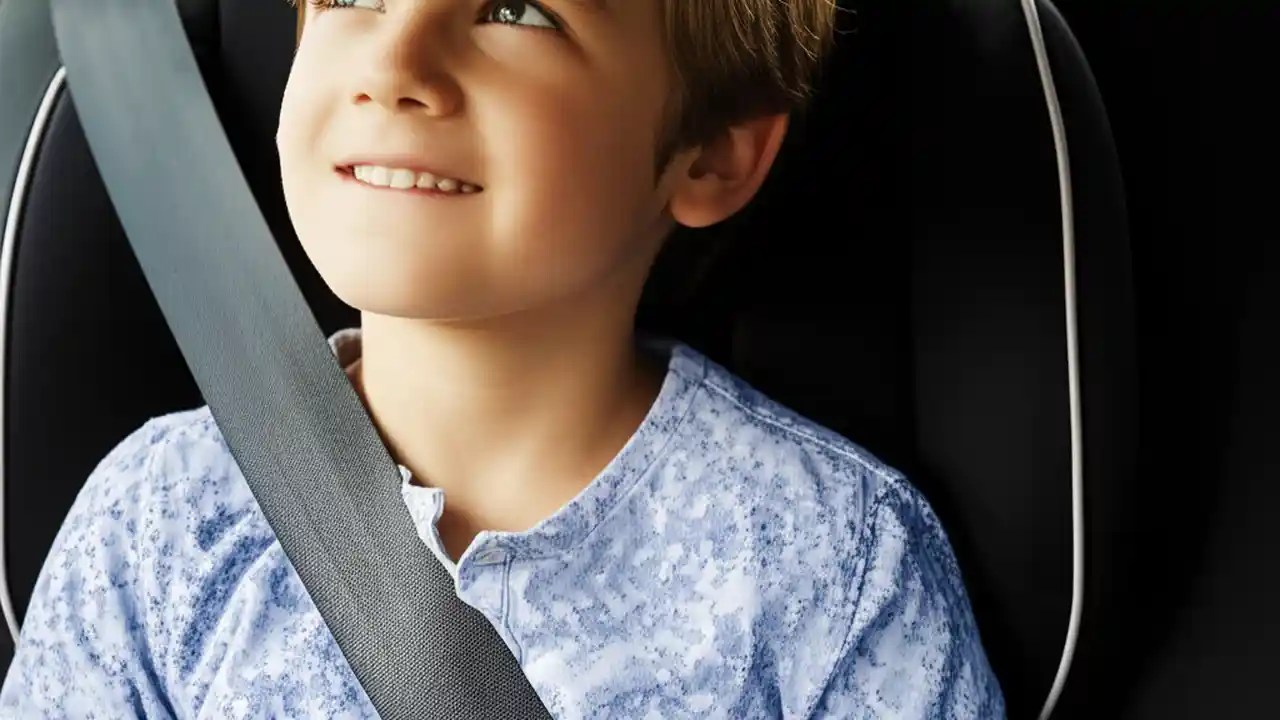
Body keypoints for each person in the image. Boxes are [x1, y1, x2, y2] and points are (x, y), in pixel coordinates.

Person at [1, 0, 1005, 717]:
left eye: (516, 12)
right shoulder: (160, 520)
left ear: (711, 152)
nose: (395, 62)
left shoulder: (828, 557)